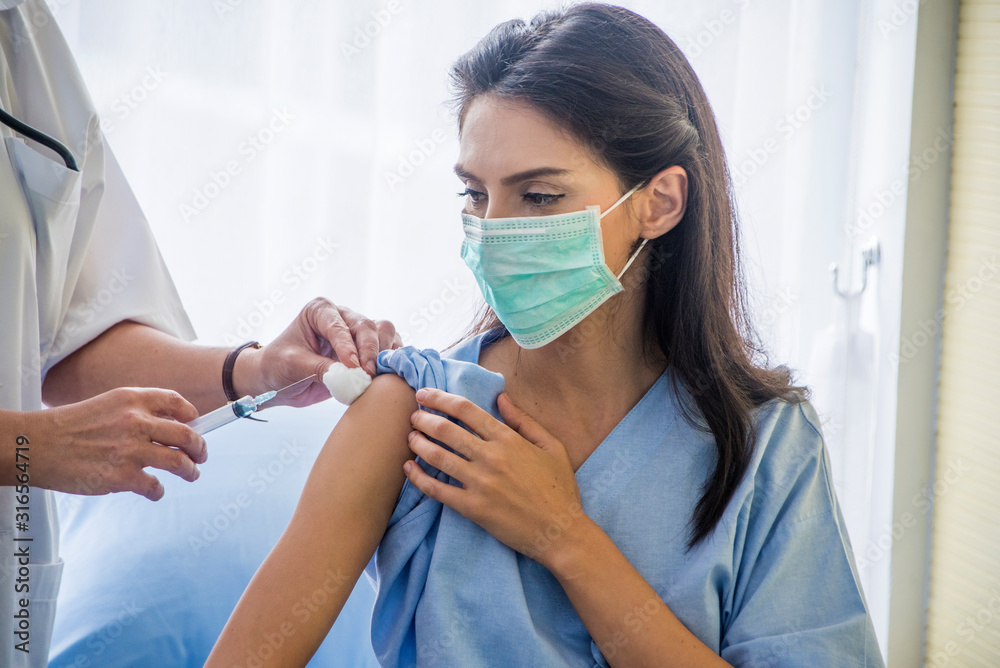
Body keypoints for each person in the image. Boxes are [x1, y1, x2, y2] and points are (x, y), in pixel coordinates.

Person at [207, 4, 884, 666]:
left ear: (660, 202)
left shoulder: (768, 444)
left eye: (538, 197)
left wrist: (565, 538)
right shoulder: (415, 416)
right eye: (474, 195)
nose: (493, 232)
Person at [0, 1, 397, 665]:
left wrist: (254, 372)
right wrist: (23, 445)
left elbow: (71, 330)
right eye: (473, 193)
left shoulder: (24, 40)